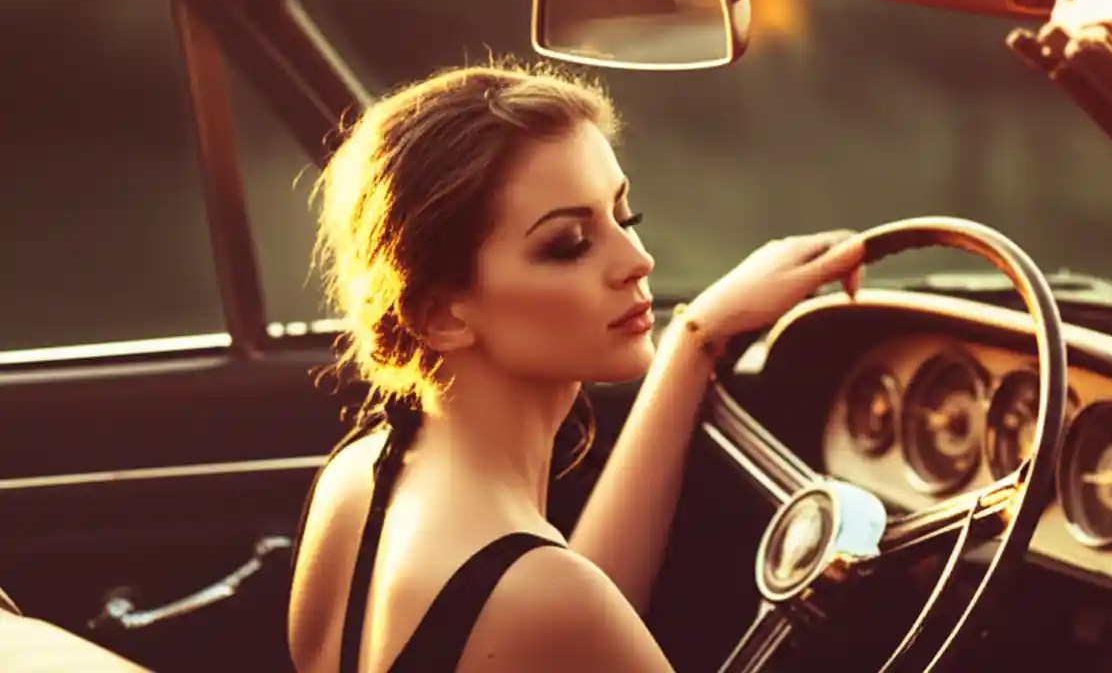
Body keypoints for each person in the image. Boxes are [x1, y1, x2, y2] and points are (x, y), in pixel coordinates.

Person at [286, 63, 865, 673]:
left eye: (625, 217)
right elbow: (561, 608)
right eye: (569, 244)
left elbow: (561, 605)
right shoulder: (545, 598)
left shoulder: (358, 483)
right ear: (440, 315)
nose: (638, 260)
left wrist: (693, 341)